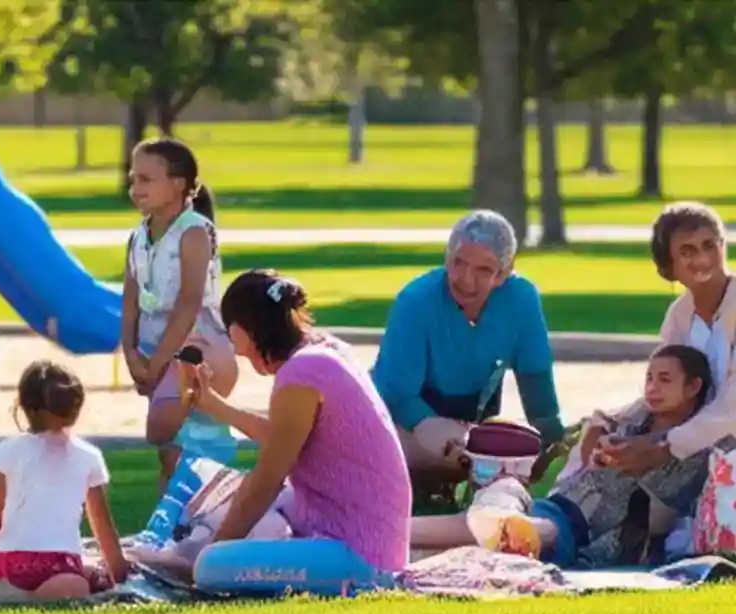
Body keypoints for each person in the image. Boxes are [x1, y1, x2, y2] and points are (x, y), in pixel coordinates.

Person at [183, 270, 412, 574]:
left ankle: (203, 558)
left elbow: (267, 480)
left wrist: (214, 552)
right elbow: (283, 436)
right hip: (366, 537)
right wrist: (213, 405)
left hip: (360, 555)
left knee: (210, 567)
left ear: (240, 331)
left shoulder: (302, 374)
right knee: (225, 511)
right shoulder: (325, 351)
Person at [413, 345, 714, 567]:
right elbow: (587, 448)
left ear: (693, 387)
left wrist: (632, 460)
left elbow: (657, 515)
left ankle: (515, 530)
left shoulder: (688, 451)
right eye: (649, 378)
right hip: (551, 505)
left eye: (664, 379)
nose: (652, 387)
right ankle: (413, 527)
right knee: (505, 492)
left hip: (582, 534)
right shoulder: (629, 424)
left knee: (537, 529)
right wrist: (595, 442)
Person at [371, 209, 563, 484]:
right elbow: (399, 396)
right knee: (481, 460)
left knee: (507, 455)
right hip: (401, 422)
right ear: (447, 259)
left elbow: (539, 391)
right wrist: (455, 443)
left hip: (470, 427)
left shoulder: (521, 299)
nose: (466, 280)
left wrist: (553, 449)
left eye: (485, 270)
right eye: (458, 263)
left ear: (504, 273)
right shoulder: (415, 300)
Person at [0, 360, 129, 600]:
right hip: (60, 564)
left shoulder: (9, 450)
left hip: (6, 561)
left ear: (25, 407)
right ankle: (37, 596)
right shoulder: (89, 456)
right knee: (75, 586)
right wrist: (120, 578)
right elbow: (102, 526)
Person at [121, 137, 239, 487]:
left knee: (162, 430)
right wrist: (130, 352)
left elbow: (189, 302)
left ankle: (211, 507)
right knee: (171, 454)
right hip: (154, 349)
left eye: (146, 179)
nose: (135, 187)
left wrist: (157, 363)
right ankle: (174, 525)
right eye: (133, 179)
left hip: (196, 348)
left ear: (179, 184)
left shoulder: (194, 233)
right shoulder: (137, 237)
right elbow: (130, 298)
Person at [595, 202, 736, 477]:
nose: (703, 259)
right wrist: (609, 422)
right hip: (699, 444)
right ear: (667, 267)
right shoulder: (680, 314)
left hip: (720, 449)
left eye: (710, 245)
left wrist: (663, 447)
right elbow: (662, 384)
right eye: (687, 251)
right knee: (603, 442)